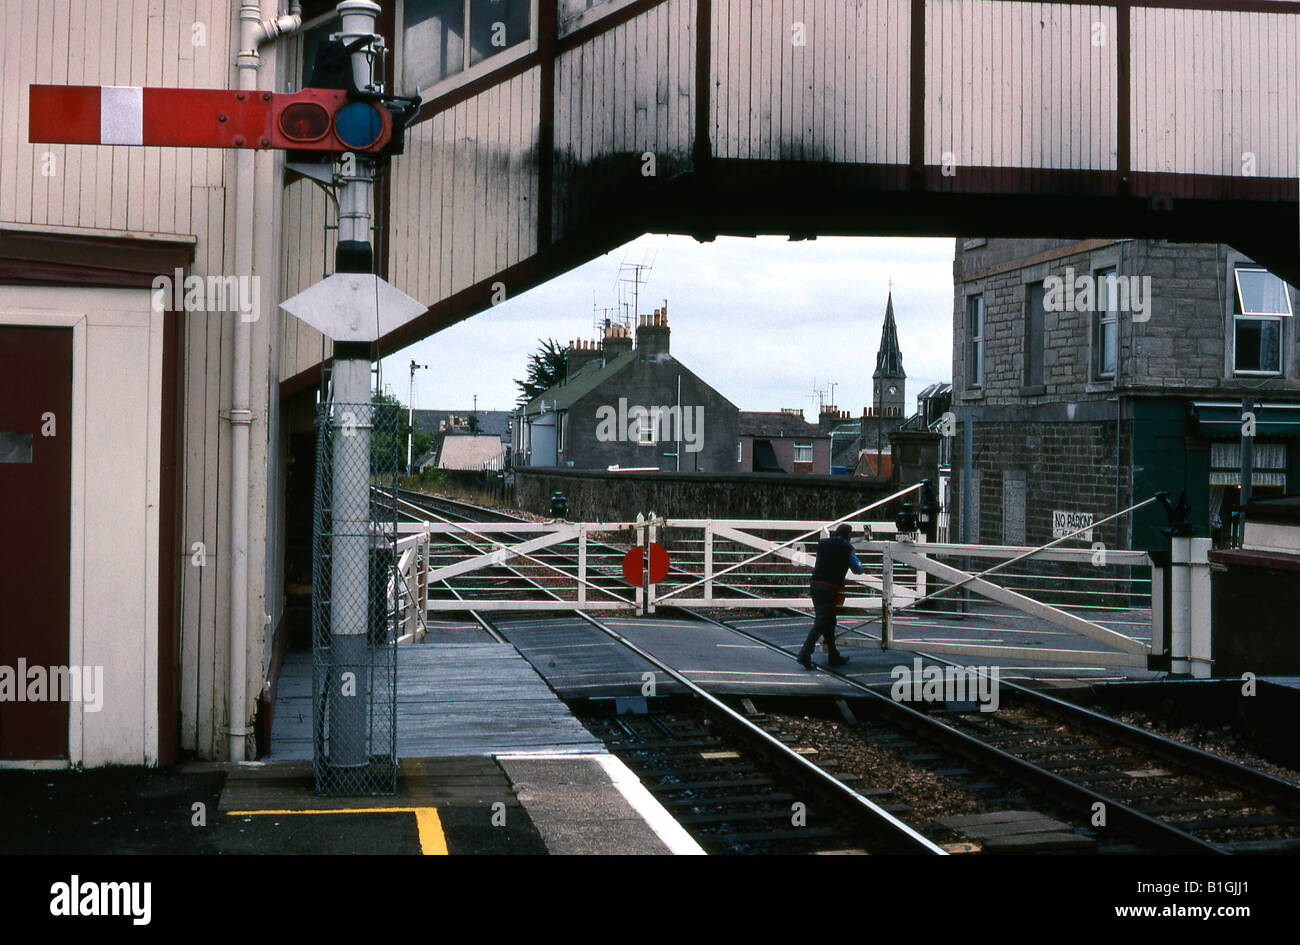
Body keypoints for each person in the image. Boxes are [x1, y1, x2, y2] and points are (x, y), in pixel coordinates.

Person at [797, 522, 863, 669]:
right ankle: (804, 654)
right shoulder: (847, 548)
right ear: (849, 536)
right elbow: (857, 569)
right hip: (830, 587)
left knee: (829, 621)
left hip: (815, 584)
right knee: (821, 622)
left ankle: (833, 655)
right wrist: (863, 567)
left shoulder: (823, 544)